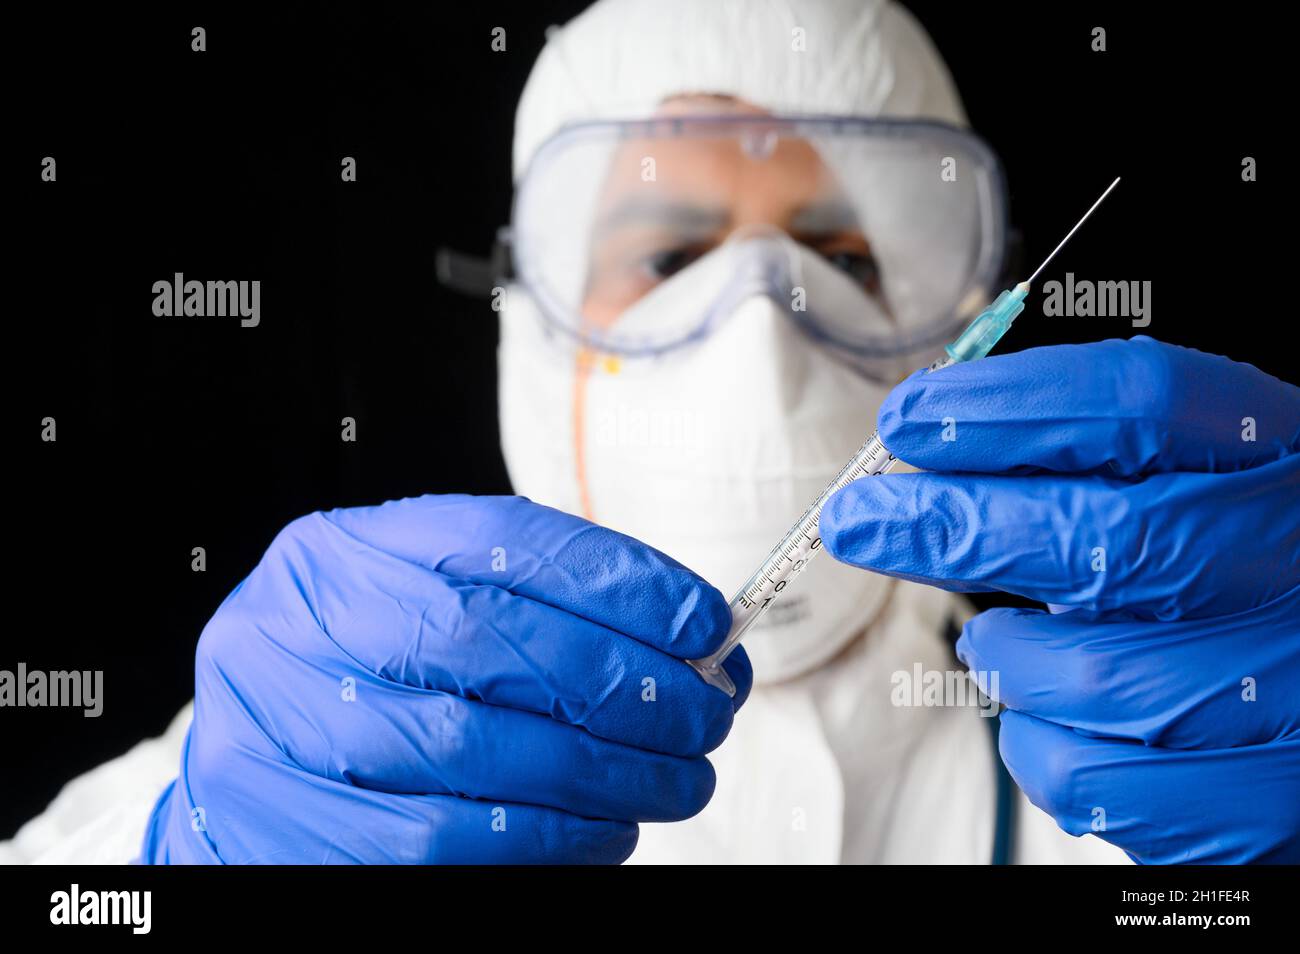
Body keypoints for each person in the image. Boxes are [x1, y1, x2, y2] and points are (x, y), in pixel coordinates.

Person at [4, 0, 1296, 865]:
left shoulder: (1165, 752)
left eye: (843, 252)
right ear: (532, 312)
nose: (761, 323)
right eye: (671, 250)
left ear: (946, 320)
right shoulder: (324, 760)